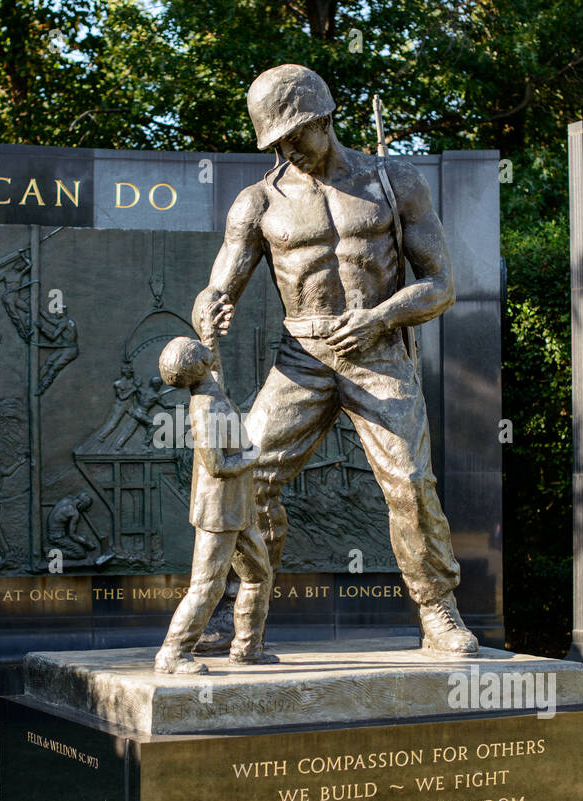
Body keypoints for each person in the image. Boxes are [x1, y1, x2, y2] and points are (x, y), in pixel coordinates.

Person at [194, 64, 476, 656]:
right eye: (276, 142)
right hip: (301, 355)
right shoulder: (259, 202)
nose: (288, 149)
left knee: (410, 479)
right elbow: (218, 285)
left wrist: (380, 317)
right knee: (247, 474)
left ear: (324, 118)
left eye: (295, 135)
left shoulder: (394, 183)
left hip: (378, 350)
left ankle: (438, 611)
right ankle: (241, 611)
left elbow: (442, 285)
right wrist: (211, 308)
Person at [154, 336, 275, 675]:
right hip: (218, 511)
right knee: (207, 585)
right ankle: (173, 653)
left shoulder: (211, 385)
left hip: (239, 507)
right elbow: (217, 466)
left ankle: (248, 648)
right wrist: (253, 457)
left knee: (257, 574)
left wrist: (211, 325)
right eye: (197, 347)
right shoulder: (204, 408)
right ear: (196, 364)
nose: (203, 347)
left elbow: (216, 362)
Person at [46, 492, 97, 560]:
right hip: (57, 537)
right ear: (82, 504)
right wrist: (87, 543)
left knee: (79, 541)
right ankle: (51, 553)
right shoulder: (74, 513)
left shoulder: (67, 499)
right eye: (85, 507)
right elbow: (72, 535)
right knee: (81, 553)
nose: (85, 510)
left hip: (52, 532)